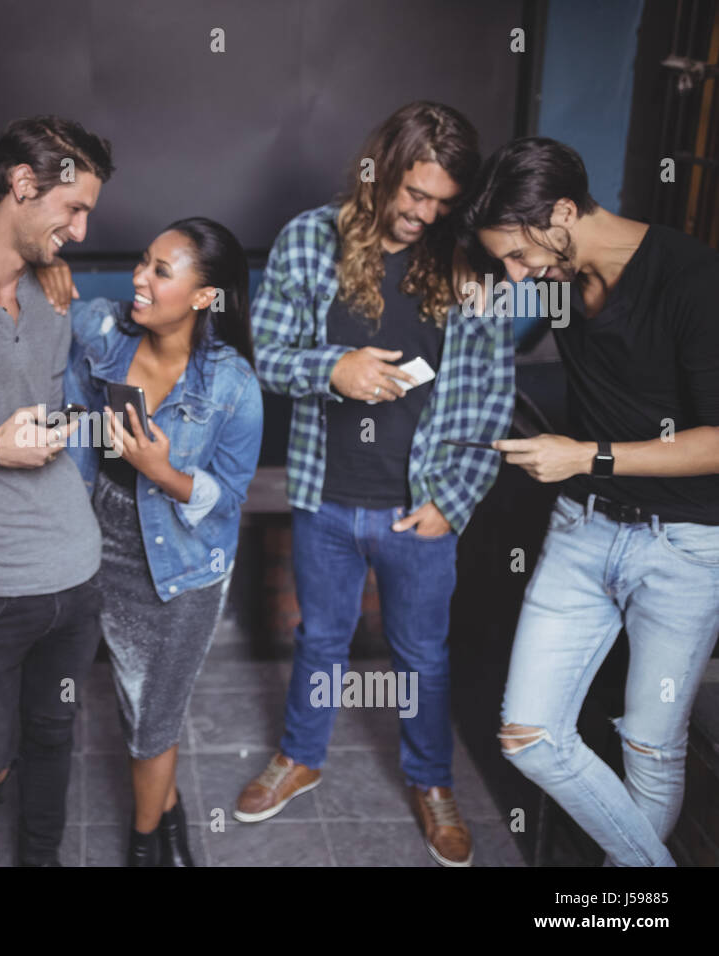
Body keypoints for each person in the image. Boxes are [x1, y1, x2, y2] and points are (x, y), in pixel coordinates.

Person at [237, 101, 514, 866]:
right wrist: (334, 366)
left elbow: (493, 393)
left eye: (442, 204)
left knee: (421, 655)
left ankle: (430, 782)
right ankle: (301, 756)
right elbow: (269, 354)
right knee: (320, 639)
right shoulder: (306, 239)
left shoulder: (467, 265)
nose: (424, 215)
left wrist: (452, 503)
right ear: (383, 170)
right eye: (413, 194)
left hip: (420, 507)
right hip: (326, 495)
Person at [462, 137, 719, 867]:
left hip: (689, 545)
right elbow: (483, 303)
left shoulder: (692, 278)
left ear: (565, 211)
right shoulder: (558, 275)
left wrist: (588, 456)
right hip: (582, 529)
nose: (517, 275)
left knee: (649, 742)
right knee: (530, 734)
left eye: (519, 254)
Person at [41, 217, 262, 865]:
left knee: (153, 719)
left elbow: (231, 496)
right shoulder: (101, 330)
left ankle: (144, 847)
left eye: (161, 271)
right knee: (135, 701)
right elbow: (14, 295)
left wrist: (163, 472)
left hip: (185, 567)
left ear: (203, 297)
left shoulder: (232, 386)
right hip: (96, 538)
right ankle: (169, 819)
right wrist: (47, 273)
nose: (140, 277)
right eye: (144, 262)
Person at [0, 115, 114, 866]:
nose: (78, 230)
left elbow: (54, 407)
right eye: (71, 209)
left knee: (53, 738)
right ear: (22, 185)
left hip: (77, 575)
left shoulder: (52, 297)